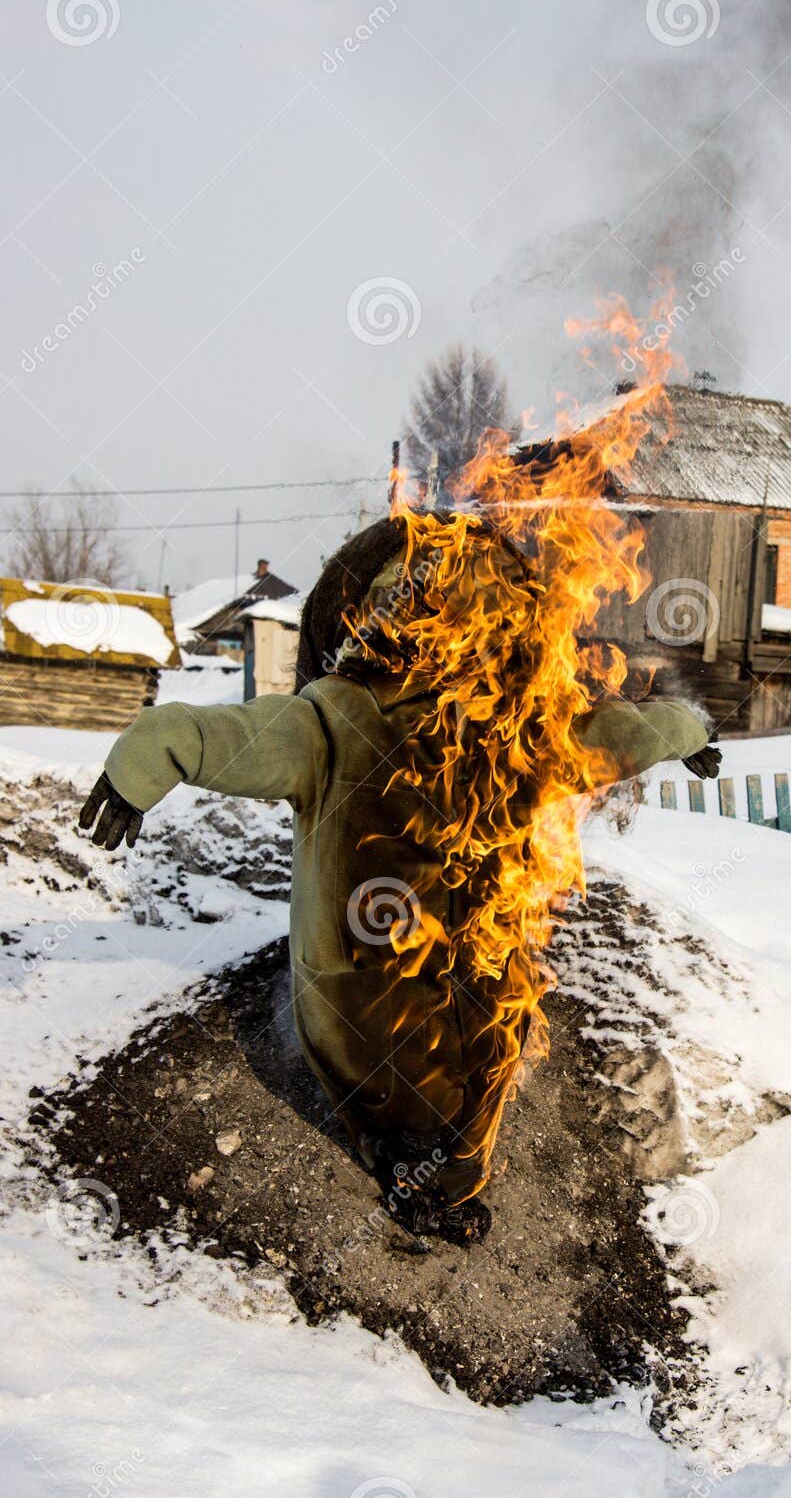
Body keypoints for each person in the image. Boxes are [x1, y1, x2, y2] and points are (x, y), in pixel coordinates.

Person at [79, 514, 719, 1245]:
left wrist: (143, 763)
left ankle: (430, 1169)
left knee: (460, 1062)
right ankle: (420, 1176)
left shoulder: (472, 719)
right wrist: (691, 727)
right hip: (385, 998)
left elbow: (620, 733)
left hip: (424, 978)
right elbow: (237, 738)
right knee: (422, 1087)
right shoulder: (372, 719)